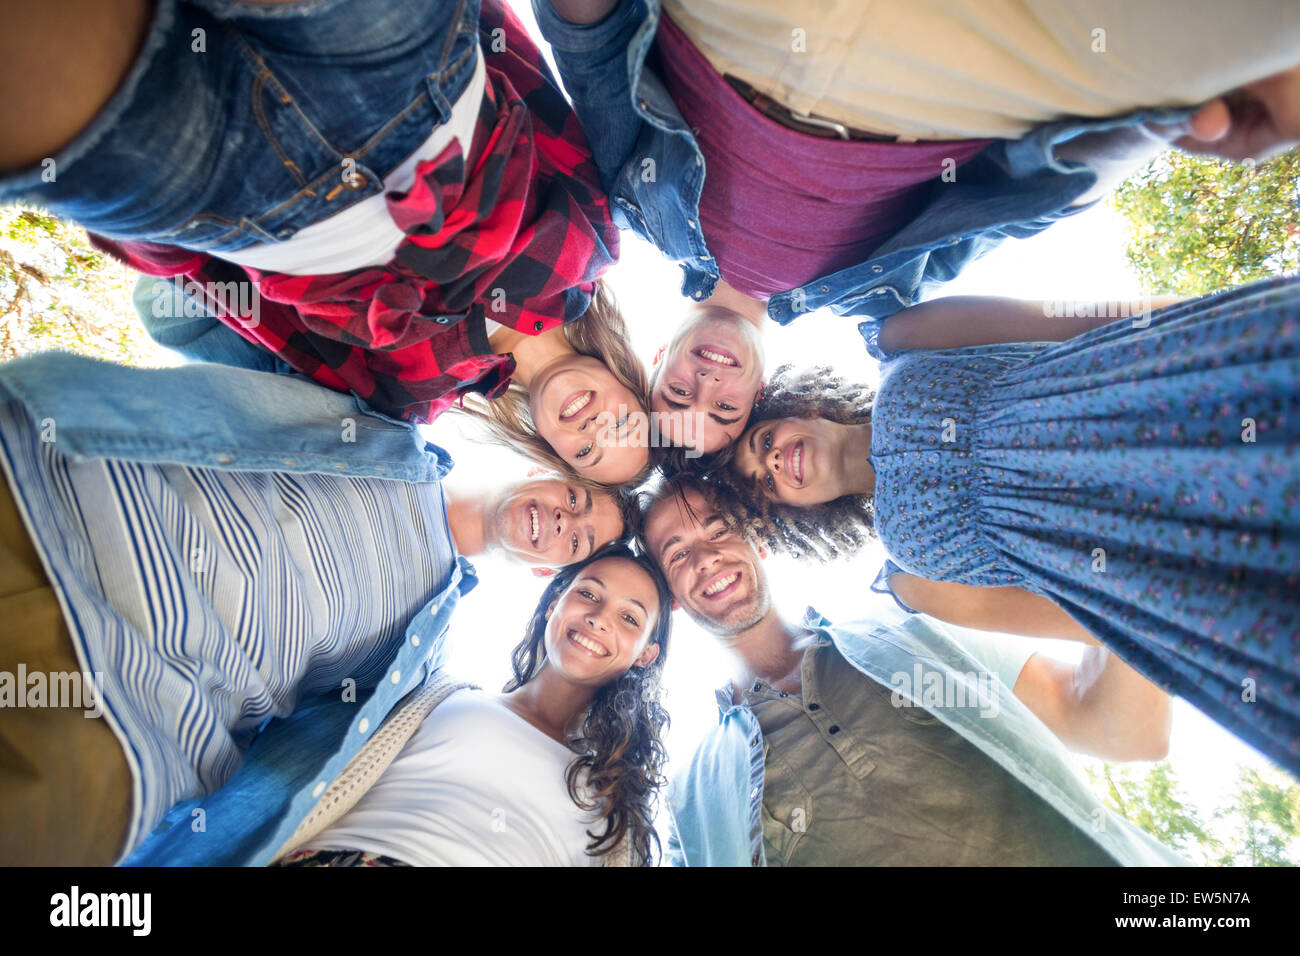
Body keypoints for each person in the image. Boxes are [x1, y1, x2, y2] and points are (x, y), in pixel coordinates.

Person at [535, 0, 1300, 453]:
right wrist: (1154, 128)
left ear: (658, 355)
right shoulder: (880, 300)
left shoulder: (633, 213)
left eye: (675, 394)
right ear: (762, 386)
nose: (704, 385)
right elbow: (1016, 209)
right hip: (972, 82)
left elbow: (595, 59)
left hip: (743, 32)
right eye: (725, 409)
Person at [0, 350, 630, 866]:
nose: (564, 518)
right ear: (539, 471)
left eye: (579, 540)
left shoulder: (416, 657)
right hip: (48, 491)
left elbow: (294, 766)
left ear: (550, 572)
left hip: (126, 712)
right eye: (575, 495)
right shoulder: (385, 427)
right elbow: (177, 313)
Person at [0, 0, 651, 484]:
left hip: (237, 205)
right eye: (623, 424)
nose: (596, 429)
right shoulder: (597, 237)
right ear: (627, 376)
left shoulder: (409, 403)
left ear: (551, 450)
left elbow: (263, 320)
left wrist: (159, 234)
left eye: (589, 453)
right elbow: (515, 59)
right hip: (397, 80)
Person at [711, 278, 1300, 776]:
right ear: (799, 513)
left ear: (797, 410)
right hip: (1162, 543)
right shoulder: (913, 578)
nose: (772, 462)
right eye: (765, 484)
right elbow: (1090, 615)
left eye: (762, 442)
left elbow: (1077, 321)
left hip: (1160, 386)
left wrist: (1206, 326)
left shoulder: (900, 341)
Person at [640, 476, 1184, 866]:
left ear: (757, 539)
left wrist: (1131, 557)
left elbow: (1123, 729)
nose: (705, 557)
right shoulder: (691, 799)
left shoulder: (914, 627)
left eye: (717, 530)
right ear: (674, 600)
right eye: (677, 553)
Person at [263, 543, 671, 867]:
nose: (599, 617)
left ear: (645, 655)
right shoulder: (437, 689)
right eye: (588, 593)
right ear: (554, 604)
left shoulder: (620, 794)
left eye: (629, 618)